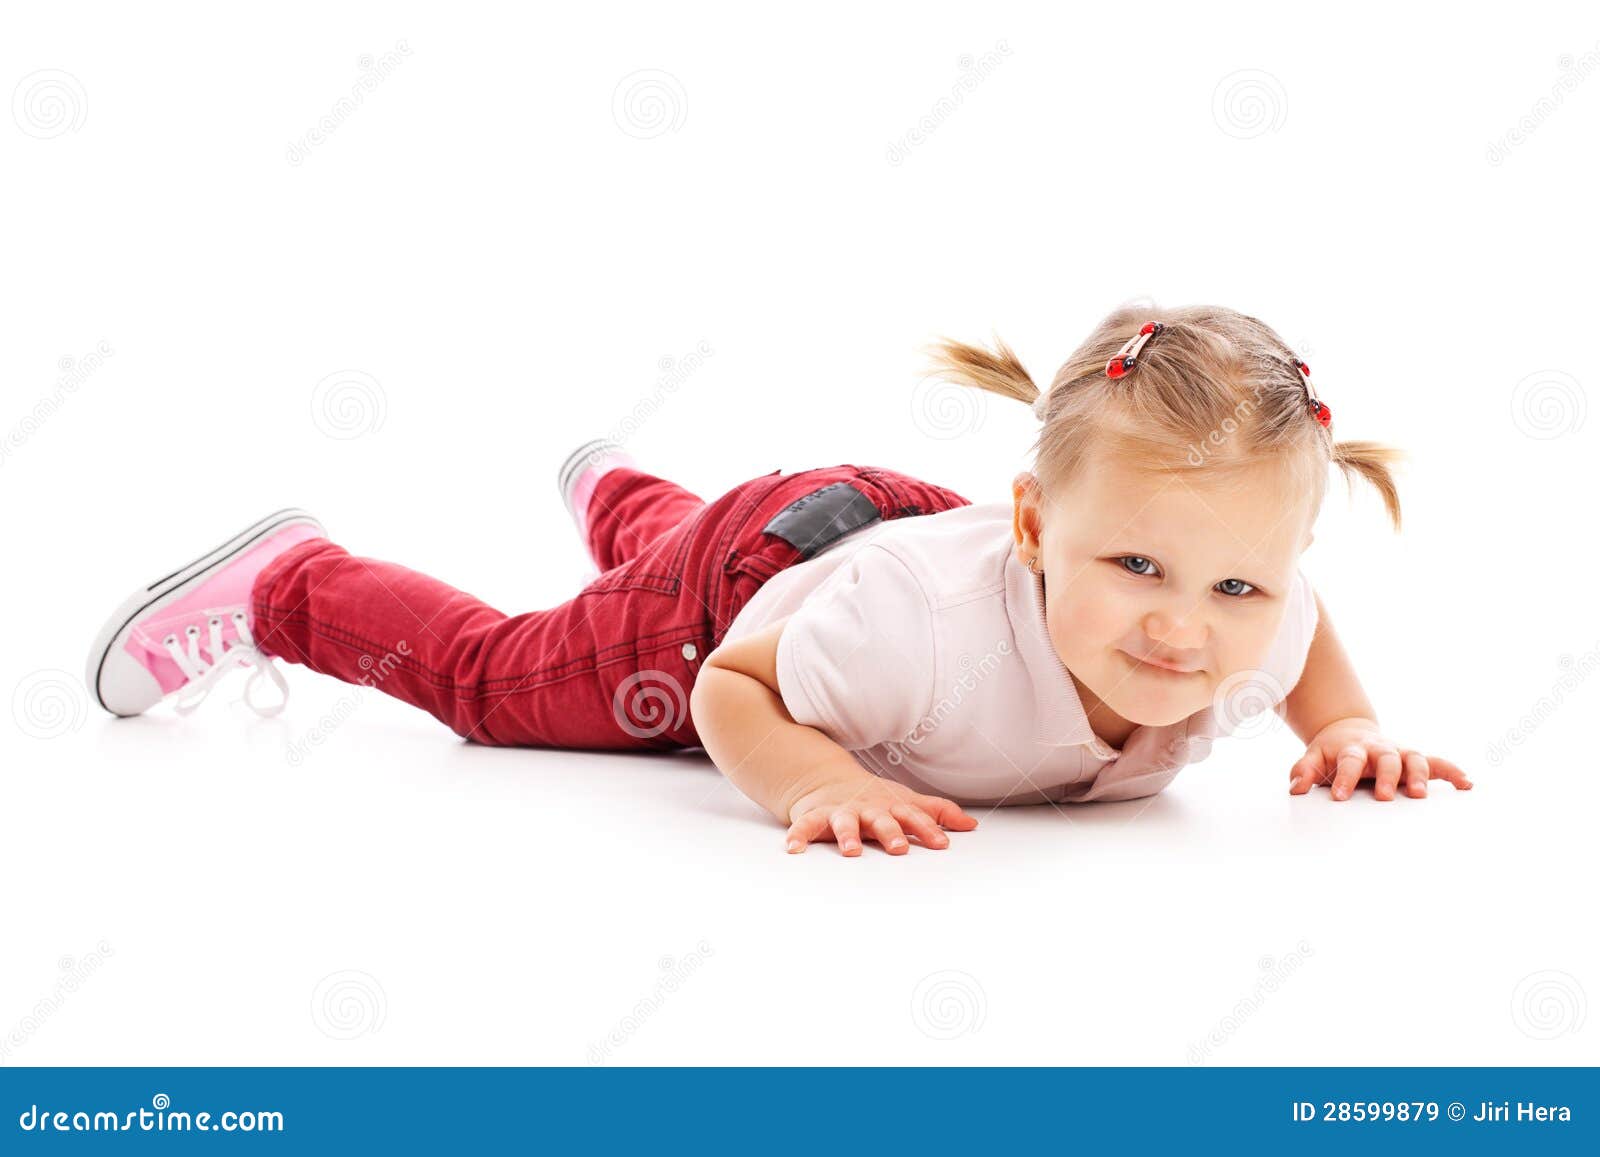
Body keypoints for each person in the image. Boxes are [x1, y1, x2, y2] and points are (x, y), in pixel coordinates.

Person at [85, 303, 1472, 858]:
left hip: (850, 538)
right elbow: (733, 682)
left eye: (1236, 588)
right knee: (501, 682)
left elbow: (1303, 632)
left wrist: (1345, 725)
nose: (1184, 626)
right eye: (1139, 565)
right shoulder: (914, 636)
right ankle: (293, 584)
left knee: (676, 550)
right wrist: (814, 779)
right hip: (752, 592)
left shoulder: (1255, 610)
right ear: (1040, 527)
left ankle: (620, 496)